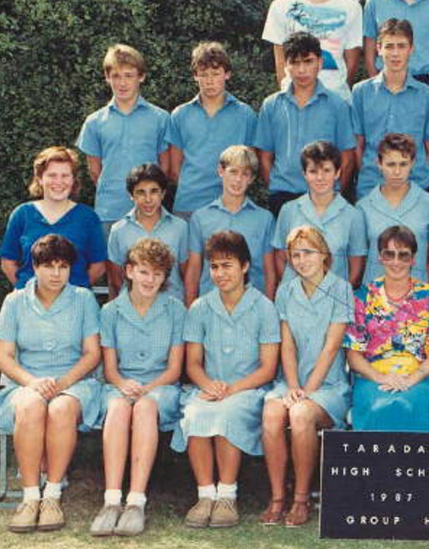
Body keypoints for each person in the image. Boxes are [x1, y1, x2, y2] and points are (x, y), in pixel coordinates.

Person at [0, 234, 102, 533]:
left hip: (74, 381)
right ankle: (30, 497)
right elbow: (4, 356)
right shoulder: (14, 302)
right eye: (49, 266)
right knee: (30, 405)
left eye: (63, 266)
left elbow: (92, 354)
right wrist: (33, 383)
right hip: (26, 381)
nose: (56, 274)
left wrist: (63, 382)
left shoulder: (83, 299)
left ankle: (52, 495)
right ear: (34, 267)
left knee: (62, 408)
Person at [172, 231, 281, 529]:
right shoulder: (200, 308)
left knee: (227, 414)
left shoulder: (264, 307)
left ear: (245, 266)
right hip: (208, 387)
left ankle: (226, 496)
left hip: (248, 389)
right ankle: (205, 494)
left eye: (227, 265)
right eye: (215, 266)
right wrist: (207, 384)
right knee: (195, 412)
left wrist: (231, 389)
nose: (220, 273)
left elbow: (268, 367)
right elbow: (192, 363)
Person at [90, 239, 188, 537]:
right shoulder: (110, 312)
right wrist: (123, 384)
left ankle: (135, 502)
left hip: (161, 387)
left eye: (158, 275)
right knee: (118, 408)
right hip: (120, 384)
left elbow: (174, 369)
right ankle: (110, 501)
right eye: (144, 272)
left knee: (145, 408)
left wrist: (148, 389)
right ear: (129, 271)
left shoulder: (175, 309)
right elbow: (110, 369)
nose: (151, 280)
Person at [261, 226, 354, 528]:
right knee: (272, 412)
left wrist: (306, 392)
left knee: (300, 415)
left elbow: (331, 348)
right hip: (291, 383)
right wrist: (292, 386)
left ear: (324, 255)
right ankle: (277, 497)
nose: (302, 260)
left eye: (309, 253)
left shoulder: (341, 289)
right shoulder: (286, 291)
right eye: (296, 254)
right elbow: (286, 344)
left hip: (328, 387)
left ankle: (301, 499)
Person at [344, 226, 429, 431]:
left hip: (418, 379)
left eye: (403, 255)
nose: (396, 261)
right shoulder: (363, 296)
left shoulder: (428, 296)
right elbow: (353, 355)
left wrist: (411, 380)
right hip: (372, 378)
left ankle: (413, 464)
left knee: (404, 404)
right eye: (389, 254)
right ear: (380, 257)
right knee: (379, 406)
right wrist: (382, 378)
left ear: (413, 259)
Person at [254, 31, 356, 215]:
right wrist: (276, 186)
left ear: (320, 62)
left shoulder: (337, 106)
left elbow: (347, 157)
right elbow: (264, 155)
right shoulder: (271, 105)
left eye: (308, 61)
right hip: (283, 196)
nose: (301, 70)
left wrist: (335, 191)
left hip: (325, 196)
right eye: (295, 62)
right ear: (286, 65)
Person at [76, 44, 171, 239]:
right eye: (116, 76)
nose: (122, 83)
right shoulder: (95, 122)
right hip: (109, 212)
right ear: (107, 78)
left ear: (141, 77)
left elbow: (165, 169)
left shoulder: (160, 118)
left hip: (150, 213)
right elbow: (95, 172)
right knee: (113, 269)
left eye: (129, 75)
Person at [351, 18, 429, 198]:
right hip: (371, 187)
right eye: (389, 46)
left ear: (411, 49)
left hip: (416, 187)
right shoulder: (361, 92)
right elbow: (358, 143)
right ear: (378, 49)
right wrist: (369, 173)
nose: (395, 53)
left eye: (401, 46)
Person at [165, 41, 257, 219]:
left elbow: (250, 167)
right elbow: (174, 170)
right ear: (195, 76)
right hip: (189, 206)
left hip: (231, 206)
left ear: (227, 74)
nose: (209, 81)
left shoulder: (245, 114)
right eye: (203, 74)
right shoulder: (180, 115)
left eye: (215, 74)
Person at [0, 146, 106, 289]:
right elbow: (8, 262)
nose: (59, 181)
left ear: (73, 180)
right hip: (30, 304)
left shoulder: (87, 217)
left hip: (75, 304)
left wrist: (73, 293)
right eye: (52, 175)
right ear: (40, 179)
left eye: (65, 175)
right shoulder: (22, 214)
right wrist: (27, 292)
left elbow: (98, 265)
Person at [185, 145, 277, 304]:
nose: (238, 180)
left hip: (252, 306)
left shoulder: (264, 219)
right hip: (211, 306)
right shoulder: (200, 218)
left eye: (245, 174)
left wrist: (268, 310)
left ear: (252, 178)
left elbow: (269, 272)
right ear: (221, 171)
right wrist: (190, 309)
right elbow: (193, 271)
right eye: (233, 172)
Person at [356, 133, 429, 284]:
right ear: (379, 163)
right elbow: (359, 259)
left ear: (412, 163)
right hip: (374, 295)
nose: (397, 172)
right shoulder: (363, 207)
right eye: (391, 164)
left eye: (403, 164)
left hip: (416, 295)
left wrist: (422, 292)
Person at [273, 140, 367, 287]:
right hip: (295, 302)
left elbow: (356, 267)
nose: (320, 178)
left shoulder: (353, 215)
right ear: (304, 174)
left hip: (335, 302)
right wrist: (294, 291)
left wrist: (338, 296)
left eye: (326, 170)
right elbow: (280, 257)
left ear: (337, 173)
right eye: (313, 171)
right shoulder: (289, 210)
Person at [106, 164, 188, 301]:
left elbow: (187, 275)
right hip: (133, 310)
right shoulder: (118, 230)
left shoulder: (180, 228)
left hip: (171, 308)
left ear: (163, 193)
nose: (148, 199)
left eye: (154, 191)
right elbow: (116, 280)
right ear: (131, 195)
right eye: (141, 192)